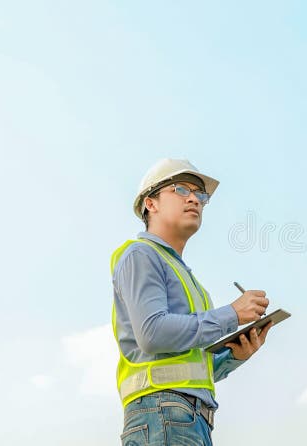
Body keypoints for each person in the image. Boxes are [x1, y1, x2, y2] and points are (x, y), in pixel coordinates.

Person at [111, 158, 272, 445]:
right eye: (181, 190)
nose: (194, 200)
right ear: (151, 203)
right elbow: (152, 333)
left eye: (200, 195)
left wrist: (235, 355)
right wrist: (232, 315)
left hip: (187, 418)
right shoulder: (141, 255)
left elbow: (192, 368)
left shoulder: (190, 282)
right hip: (162, 413)